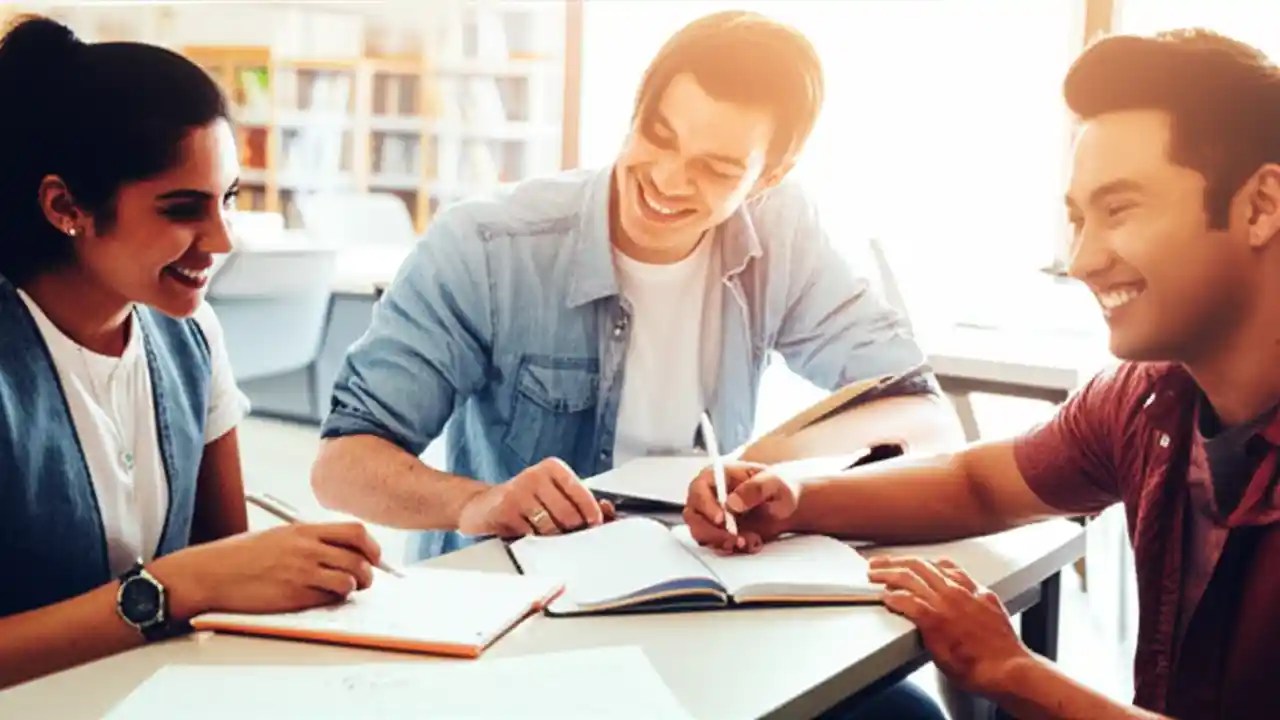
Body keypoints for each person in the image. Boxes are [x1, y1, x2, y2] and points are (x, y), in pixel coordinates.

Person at [685, 28, 1280, 720]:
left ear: (1261, 207)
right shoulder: (1149, 397)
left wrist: (1013, 672)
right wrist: (793, 496)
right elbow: (977, 484)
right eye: (1078, 219)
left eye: (1120, 210)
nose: (1084, 259)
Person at [311, 10, 960, 560]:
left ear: (767, 178)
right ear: (635, 113)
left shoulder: (781, 233)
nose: (670, 182)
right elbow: (341, 465)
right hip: (515, 597)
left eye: (715, 168)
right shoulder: (488, 246)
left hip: (701, 582)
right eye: (659, 136)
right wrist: (478, 502)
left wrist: (772, 465)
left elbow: (918, 409)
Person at [0, 17, 382, 688]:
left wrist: (290, 572)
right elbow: (202, 578)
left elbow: (226, 573)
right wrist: (171, 588)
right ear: (65, 206)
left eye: (228, 200)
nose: (223, 239)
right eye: (183, 209)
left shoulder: (192, 336)